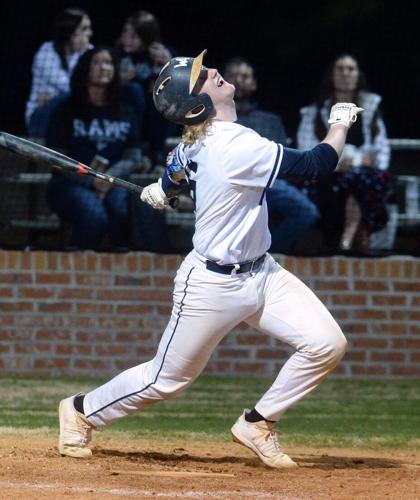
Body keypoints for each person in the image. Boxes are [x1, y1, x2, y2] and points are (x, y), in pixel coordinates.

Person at [57, 50, 357, 468]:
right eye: (204, 76)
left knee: (326, 344)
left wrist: (164, 188)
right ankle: (80, 410)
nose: (214, 71)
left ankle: (258, 422)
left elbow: (178, 162)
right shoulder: (234, 145)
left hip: (262, 274)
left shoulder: (202, 138)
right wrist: (340, 121)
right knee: (167, 380)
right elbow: (315, 164)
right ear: (197, 104)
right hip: (211, 285)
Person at [45, 46, 160, 250]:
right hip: (70, 184)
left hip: (114, 182)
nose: (103, 67)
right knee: (94, 215)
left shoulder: (125, 110)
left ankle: (117, 267)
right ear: (85, 69)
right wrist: (92, 182)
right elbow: (56, 158)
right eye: (96, 62)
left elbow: (133, 157)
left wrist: (107, 180)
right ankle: (77, 267)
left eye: (107, 63)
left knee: (121, 209)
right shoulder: (65, 109)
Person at [297, 54, 392, 253]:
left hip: (365, 173)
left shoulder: (370, 108)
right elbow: (306, 146)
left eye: (351, 69)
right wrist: (338, 162)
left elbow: (382, 149)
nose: (345, 73)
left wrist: (365, 161)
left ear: (358, 75)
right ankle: (359, 235)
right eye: (340, 68)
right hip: (330, 174)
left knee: (363, 179)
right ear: (331, 75)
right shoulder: (316, 111)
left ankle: (348, 235)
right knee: (350, 182)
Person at [223, 57, 319, 254]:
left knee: (306, 211)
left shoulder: (271, 120)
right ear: (223, 81)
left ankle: (268, 254)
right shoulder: (212, 118)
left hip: (268, 185)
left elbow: (283, 162)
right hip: (228, 185)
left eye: (245, 76)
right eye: (233, 76)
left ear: (253, 84)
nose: (239, 81)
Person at [115, 10, 176, 166]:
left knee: (161, 95)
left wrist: (169, 64)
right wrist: (121, 79)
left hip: (153, 116)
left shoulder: (159, 54)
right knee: (134, 90)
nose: (126, 39)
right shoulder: (117, 54)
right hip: (124, 112)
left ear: (145, 37)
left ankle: (156, 156)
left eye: (133, 36)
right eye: (125, 33)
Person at [25, 8, 92, 138]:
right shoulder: (46, 53)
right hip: (42, 116)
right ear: (70, 33)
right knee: (63, 98)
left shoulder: (88, 52)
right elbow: (71, 88)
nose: (89, 33)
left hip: (74, 116)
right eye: (84, 29)